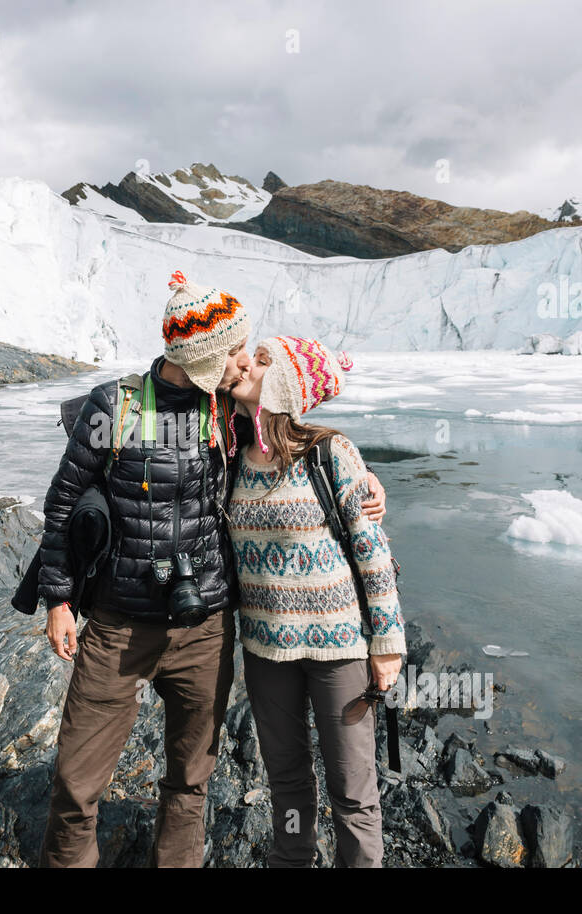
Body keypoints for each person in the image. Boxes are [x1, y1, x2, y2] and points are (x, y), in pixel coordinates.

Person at [35, 271, 389, 867]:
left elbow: (296, 426)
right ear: (201, 362)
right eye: (233, 353)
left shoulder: (225, 409)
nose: (244, 362)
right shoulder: (114, 406)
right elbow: (63, 501)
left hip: (205, 629)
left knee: (190, 782)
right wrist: (58, 600)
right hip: (118, 623)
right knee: (75, 782)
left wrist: (368, 479)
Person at [226, 335, 405, 867]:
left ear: (282, 379)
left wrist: (388, 644)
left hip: (340, 652)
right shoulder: (231, 454)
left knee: (352, 788)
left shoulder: (330, 452)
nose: (243, 367)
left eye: (259, 362)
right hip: (264, 650)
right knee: (286, 782)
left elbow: (370, 551)